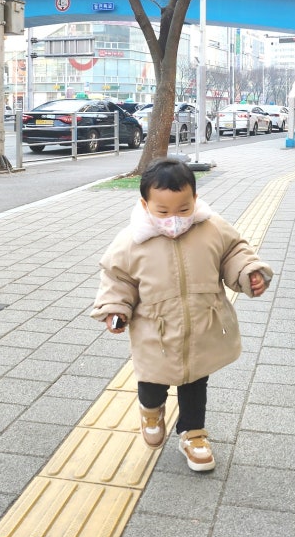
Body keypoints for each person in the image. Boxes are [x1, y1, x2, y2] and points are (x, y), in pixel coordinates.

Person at [91, 157, 272, 472]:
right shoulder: (132, 240)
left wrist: (248, 272)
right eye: (162, 211)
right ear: (145, 204)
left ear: (195, 200)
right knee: (152, 381)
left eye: (183, 209)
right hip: (154, 333)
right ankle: (151, 410)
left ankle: (193, 433)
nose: (173, 219)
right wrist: (115, 310)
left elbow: (233, 253)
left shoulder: (211, 228)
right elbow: (117, 279)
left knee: (195, 382)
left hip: (201, 328)